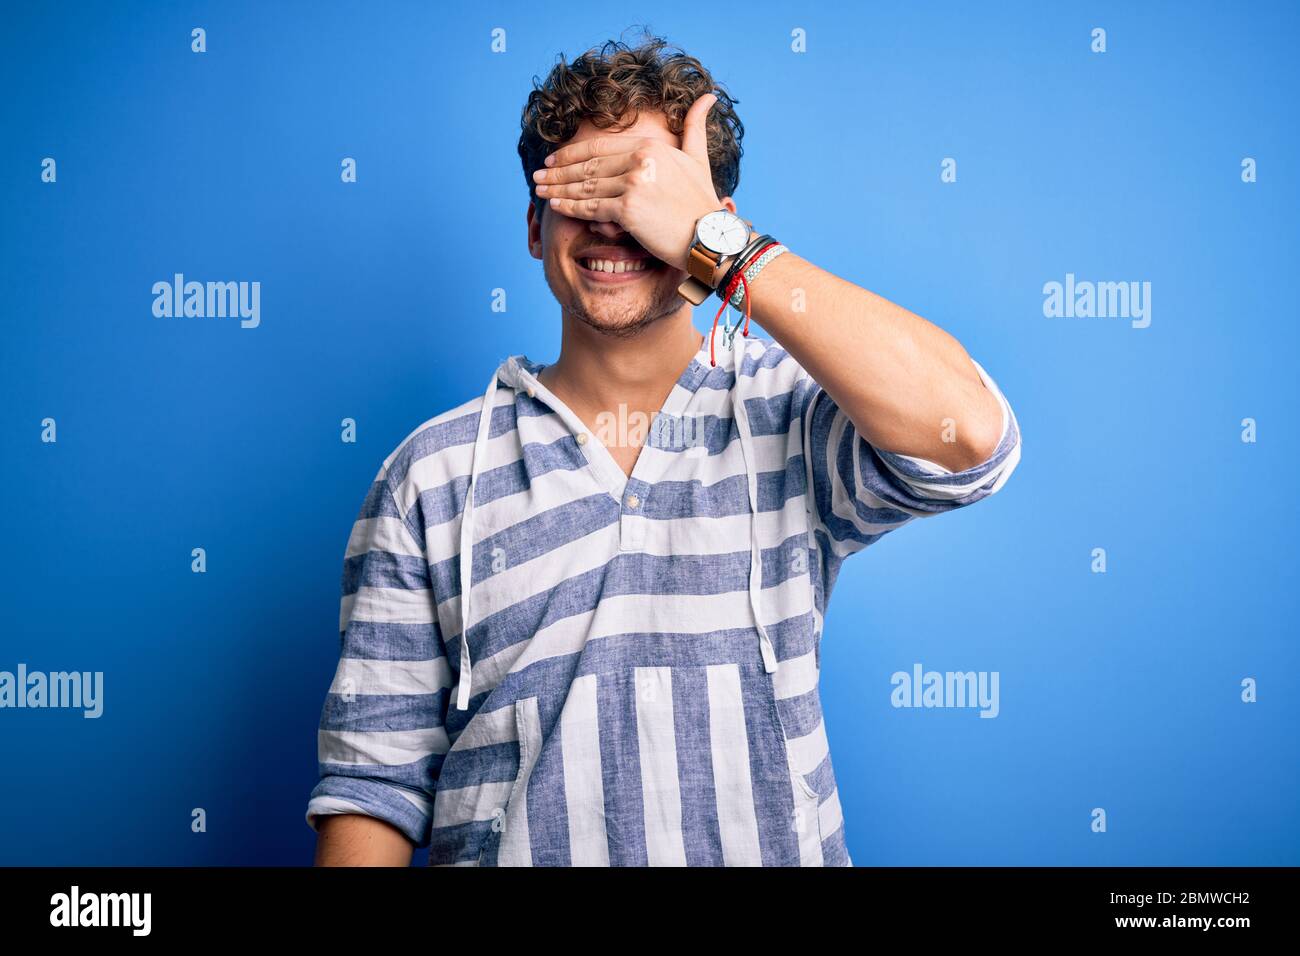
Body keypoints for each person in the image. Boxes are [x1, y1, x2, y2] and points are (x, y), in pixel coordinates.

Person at [307, 34, 1021, 866]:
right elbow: (373, 790)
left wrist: (724, 246)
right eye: (584, 193)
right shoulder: (428, 478)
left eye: (645, 195)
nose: (616, 224)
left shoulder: (786, 414)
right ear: (535, 227)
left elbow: (969, 435)